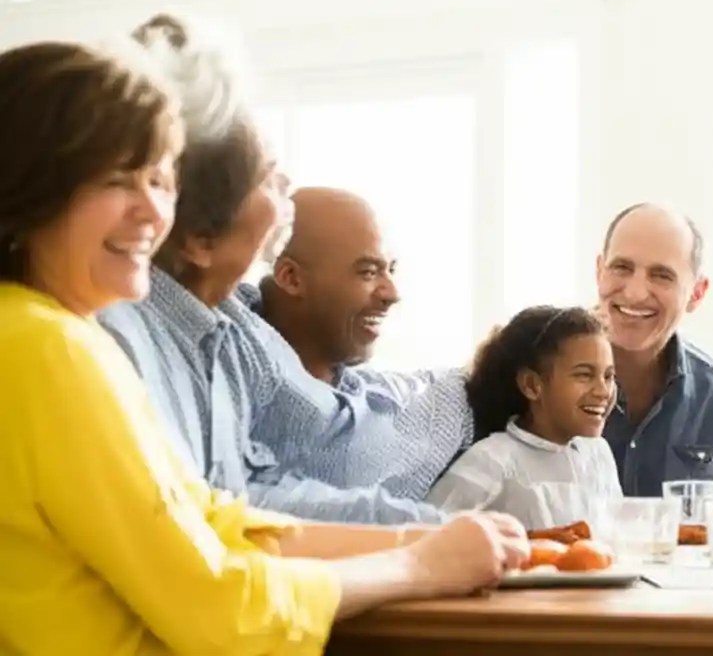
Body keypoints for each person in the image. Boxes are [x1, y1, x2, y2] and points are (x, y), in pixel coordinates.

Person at [0, 38, 528, 655]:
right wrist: (420, 566)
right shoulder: (49, 349)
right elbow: (218, 607)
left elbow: (209, 519)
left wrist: (418, 541)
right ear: (30, 191)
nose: (154, 212)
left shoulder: (55, 333)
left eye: (159, 180)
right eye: (117, 181)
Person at [98, 13, 440, 524]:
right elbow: (195, 534)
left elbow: (241, 500)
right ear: (200, 240)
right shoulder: (119, 338)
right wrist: (419, 543)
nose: (286, 190)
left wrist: (426, 532)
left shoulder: (223, 331)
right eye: (266, 178)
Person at [238, 187, 473, 499]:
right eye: (368, 272)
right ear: (291, 278)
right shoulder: (236, 377)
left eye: (391, 270)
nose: (392, 294)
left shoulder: (381, 397)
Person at [596, 203, 713, 497]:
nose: (635, 293)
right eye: (622, 268)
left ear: (697, 293)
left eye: (661, 275)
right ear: (599, 271)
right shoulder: (538, 379)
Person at [427, 306, 621, 529]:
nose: (603, 391)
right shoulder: (492, 460)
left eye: (608, 376)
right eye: (584, 375)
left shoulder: (598, 453)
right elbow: (423, 534)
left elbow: (616, 535)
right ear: (531, 385)